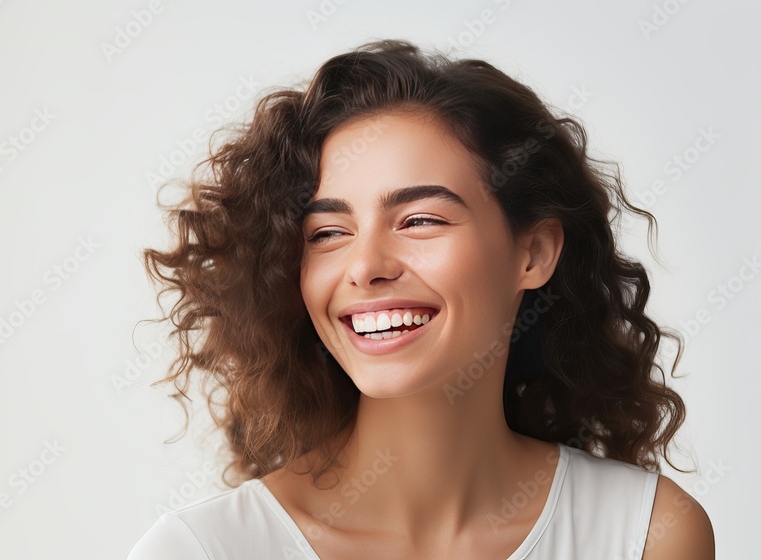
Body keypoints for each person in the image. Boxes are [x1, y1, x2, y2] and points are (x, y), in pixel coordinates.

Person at [129, 39, 714, 559]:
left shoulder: (648, 536)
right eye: (328, 233)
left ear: (533, 252)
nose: (365, 267)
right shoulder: (199, 551)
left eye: (420, 220)